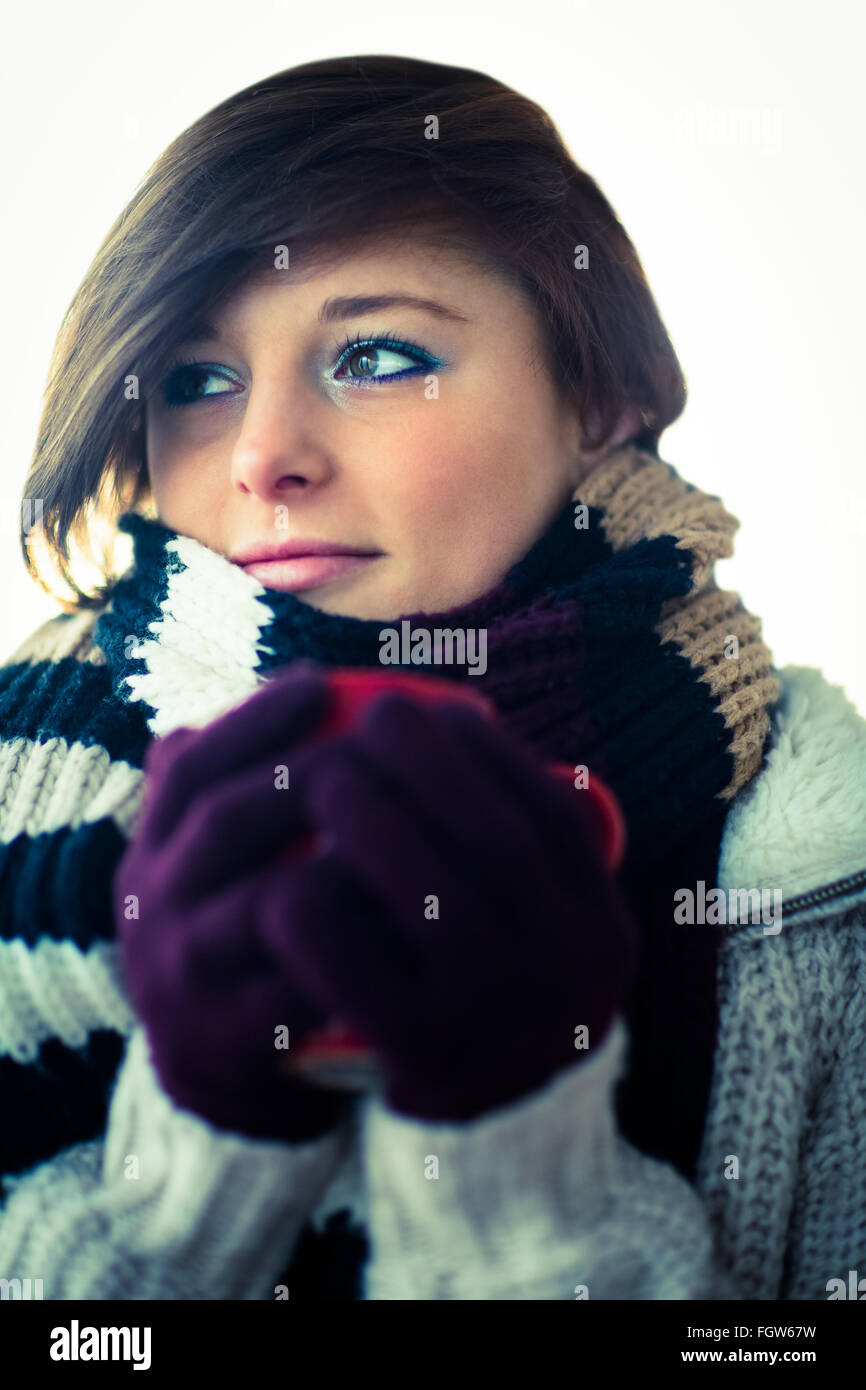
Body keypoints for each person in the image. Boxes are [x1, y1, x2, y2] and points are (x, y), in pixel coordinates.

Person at [0, 54, 863, 1301]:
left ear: (601, 397)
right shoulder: (24, 791)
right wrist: (202, 1150)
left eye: (378, 355)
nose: (261, 456)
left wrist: (515, 1167)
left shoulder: (816, 868)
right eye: (196, 381)